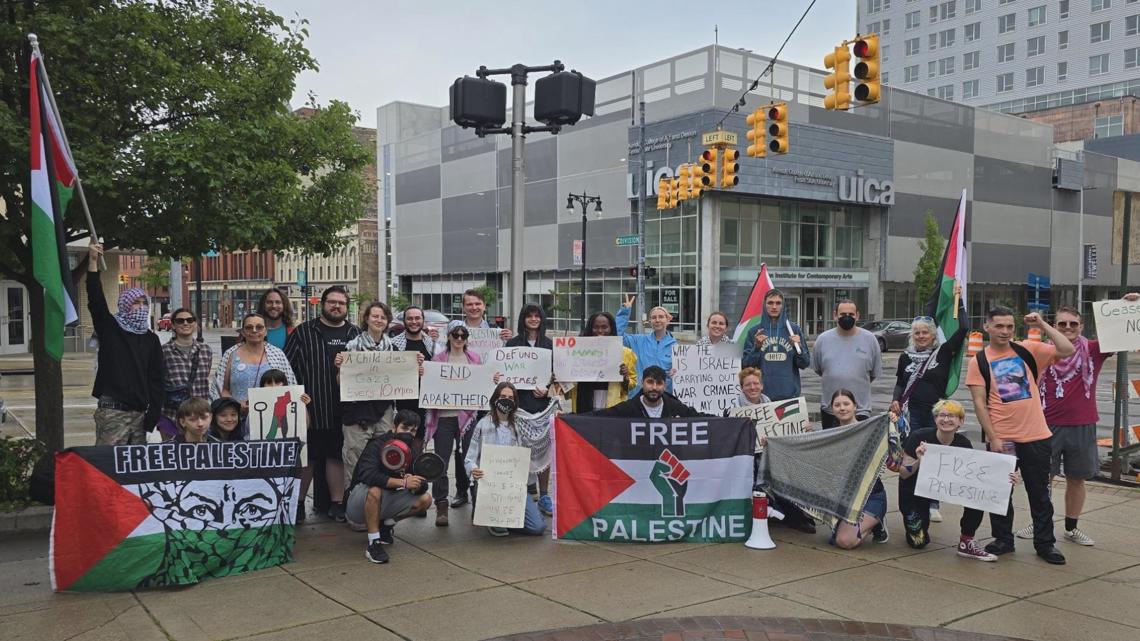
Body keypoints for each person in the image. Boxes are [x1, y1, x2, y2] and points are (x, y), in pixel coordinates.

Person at [1015, 294, 1140, 546]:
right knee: (1043, 479)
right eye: (1062, 324)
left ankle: (1071, 528)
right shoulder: (1042, 350)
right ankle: (1040, 523)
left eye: (1073, 324)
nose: (1068, 328)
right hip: (1045, 424)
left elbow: (1122, 331)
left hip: (1082, 424)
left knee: (1077, 478)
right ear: (1054, 326)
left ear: (1081, 327)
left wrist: (1130, 305)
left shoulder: (1093, 349)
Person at [966, 307, 1073, 565]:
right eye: (999, 326)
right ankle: (1003, 539)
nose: (1005, 331)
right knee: (1000, 492)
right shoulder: (979, 361)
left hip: (1036, 435)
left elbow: (1067, 349)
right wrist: (993, 437)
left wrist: (1042, 324)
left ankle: (1045, 544)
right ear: (987, 327)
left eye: (1010, 326)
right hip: (1002, 437)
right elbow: (980, 403)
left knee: (1040, 493)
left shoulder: (1028, 350)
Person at [897, 399, 1016, 561]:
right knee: (918, 542)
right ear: (935, 419)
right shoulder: (919, 437)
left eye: (952, 416)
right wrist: (919, 460)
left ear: (960, 421)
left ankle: (967, 540)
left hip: (945, 488)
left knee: (978, 493)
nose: (946, 419)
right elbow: (904, 474)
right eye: (942, 415)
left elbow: (977, 475)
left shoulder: (963, 443)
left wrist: (1005, 478)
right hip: (915, 492)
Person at [889, 291, 967, 523]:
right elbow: (900, 382)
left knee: (935, 456)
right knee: (914, 455)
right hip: (912, 413)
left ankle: (933, 502)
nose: (921, 336)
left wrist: (959, 301)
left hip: (937, 414)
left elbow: (963, 329)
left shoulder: (943, 352)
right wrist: (895, 399)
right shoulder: (905, 356)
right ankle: (915, 497)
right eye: (917, 333)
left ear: (933, 335)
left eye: (925, 332)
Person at [285, 285, 361, 523]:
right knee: (307, 458)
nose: (336, 306)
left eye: (341, 303)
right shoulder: (303, 332)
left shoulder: (356, 334)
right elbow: (287, 368)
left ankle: (337, 503)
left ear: (347, 307)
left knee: (336, 457)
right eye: (332, 302)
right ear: (323, 304)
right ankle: (297, 504)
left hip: (345, 409)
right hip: (311, 409)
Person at [86, 241, 164, 445]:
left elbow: (156, 379)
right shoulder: (110, 328)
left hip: (139, 415)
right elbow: (96, 301)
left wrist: (153, 414)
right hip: (113, 412)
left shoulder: (151, 339)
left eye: (144, 303)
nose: (141, 307)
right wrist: (92, 263)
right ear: (124, 305)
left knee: (135, 463)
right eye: (135, 303)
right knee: (109, 460)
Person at [336, 301, 413, 494]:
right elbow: (340, 382)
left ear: (387, 321)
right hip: (356, 413)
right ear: (367, 319)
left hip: (383, 412)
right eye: (375, 316)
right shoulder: (351, 347)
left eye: (383, 317)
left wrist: (415, 368)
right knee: (354, 458)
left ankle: (380, 501)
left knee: (384, 457)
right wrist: (340, 368)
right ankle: (354, 501)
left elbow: (402, 378)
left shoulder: (393, 350)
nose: (379, 320)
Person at [345, 409, 434, 564]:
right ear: (394, 427)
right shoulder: (377, 445)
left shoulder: (412, 449)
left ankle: (386, 525)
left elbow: (423, 482)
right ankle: (373, 543)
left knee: (425, 499)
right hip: (359, 502)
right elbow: (368, 475)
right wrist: (402, 483)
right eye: (404, 428)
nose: (408, 433)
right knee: (375, 490)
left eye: (413, 430)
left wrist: (415, 484)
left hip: (386, 499)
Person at [464, 383, 547, 537]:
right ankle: (488, 513)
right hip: (489, 485)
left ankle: (506, 520)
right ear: (495, 399)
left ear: (515, 402)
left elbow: (539, 431)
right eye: (503, 397)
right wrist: (474, 470)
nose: (506, 400)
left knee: (538, 527)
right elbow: (469, 459)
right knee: (499, 526)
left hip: (513, 486)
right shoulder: (483, 424)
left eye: (510, 398)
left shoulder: (520, 424)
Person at [424, 322, 480, 526]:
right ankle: (441, 504)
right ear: (448, 336)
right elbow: (431, 385)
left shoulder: (475, 359)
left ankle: (477, 503)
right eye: (455, 334)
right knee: (441, 462)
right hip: (444, 418)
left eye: (463, 335)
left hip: (467, 418)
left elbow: (480, 383)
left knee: (470, 461)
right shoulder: (438, 360)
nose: (459, 338)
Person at [503, 304, 557, 515]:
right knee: (519, 451)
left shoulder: (550, 345)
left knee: (544, 452)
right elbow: (505, 373)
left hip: (542, 407)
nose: (534, 319)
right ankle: (520, 494)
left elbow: (559, 376)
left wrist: (548, 388)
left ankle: (544, 495)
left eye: (537, 316)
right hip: (519, 407)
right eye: (529, 316)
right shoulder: (512, 344)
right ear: (523, 319)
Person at [826, 389, 889, 549]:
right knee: (838, 539)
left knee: (844, 541)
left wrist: (892, 421)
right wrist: (806, 435)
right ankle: (864, 524)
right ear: (832, 409)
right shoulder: (829, 436)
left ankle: (876, 522)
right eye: (837, 405)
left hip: (871, 495)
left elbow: (891, 453)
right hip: (845, 498)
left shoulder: (871, 430)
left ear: (855, 406)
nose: (842, 408)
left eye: (846, 404)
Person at [811, 300, 882, 428]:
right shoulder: (822, 340)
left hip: (860, 410)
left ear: (857, 316)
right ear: (835, 315)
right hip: (830, 411)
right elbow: (819, 369)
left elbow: (872, 374)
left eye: (851, 314)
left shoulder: (870, 340)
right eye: (843, 314)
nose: (847, 317)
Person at [560, 312, 638, 413]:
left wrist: (625, 378)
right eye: (595, 327)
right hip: (583, 406)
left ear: (611, 329)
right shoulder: (577, 352)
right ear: (590, 329)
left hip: (612, 407)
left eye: (604, 327)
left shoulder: (625, 353)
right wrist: (561, 377)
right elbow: (569, 389)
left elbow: (632, 384)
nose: (600, 331)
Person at [741, 289, 810, 401]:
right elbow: (746, 365)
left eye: (778, 303)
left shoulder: (793, 330)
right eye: (770, 303)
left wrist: (798, 347)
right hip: (761, 396)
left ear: (783, 306)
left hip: (789, 396)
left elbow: (805, 363)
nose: (774, 307)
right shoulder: (754, 331)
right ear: (764, 305)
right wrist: (756, 347)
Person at [213, 313, 296, 406]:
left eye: (259, 327)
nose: (254, 330)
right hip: (237, 413)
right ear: (243, 332)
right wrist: (237, 405)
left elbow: (290, 386)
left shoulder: (277, 354)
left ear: (266, 331)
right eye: (249, 327)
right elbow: (221, 388)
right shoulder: (230, 354)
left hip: (272, 412)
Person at [159, 308, 213, 440]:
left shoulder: (205, 350)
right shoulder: (164, 351)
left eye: (189, 320)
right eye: (180, 321)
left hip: (199, 417)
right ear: (173, 325)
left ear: (195, 323)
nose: (185, 323)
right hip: (171, 415)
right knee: (171, 451)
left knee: (199, 451)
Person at [615, 295, 677, 397]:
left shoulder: (676, 347)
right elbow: (617, 336)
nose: (657, 320)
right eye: (654, 317)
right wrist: (624, 312)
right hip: (638, 396)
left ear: (668, 319)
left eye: (661, 317)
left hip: (663, 397)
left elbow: (682, 374)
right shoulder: (638, 341)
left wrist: (674, 375)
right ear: (650, 321)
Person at [588, 366, 707, 418]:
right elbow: (601, 416)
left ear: (665, 386)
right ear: (642, 382)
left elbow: (697, 417)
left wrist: (719, 421)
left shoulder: (674, 406)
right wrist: (577, 420)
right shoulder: (629, 408)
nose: (654, 387)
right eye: (650, 382)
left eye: (659, 383)